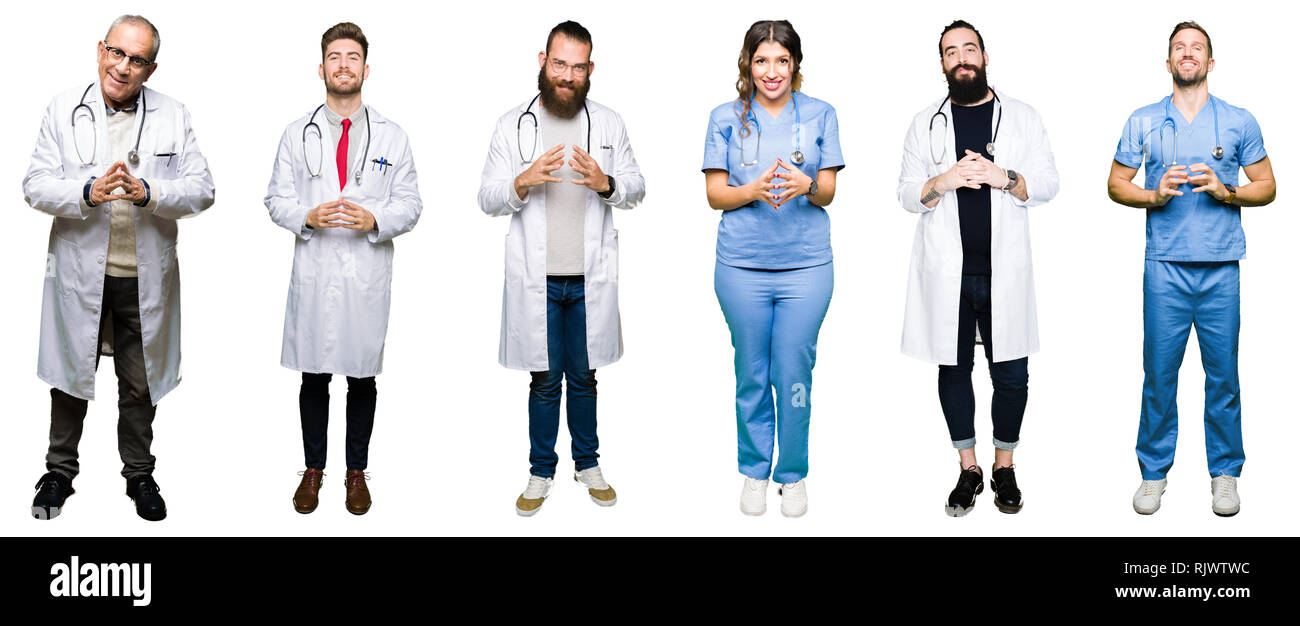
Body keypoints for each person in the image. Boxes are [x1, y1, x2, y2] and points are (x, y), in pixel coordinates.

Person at [24, 15, 215, 521]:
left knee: (140, 384)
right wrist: (87, 192)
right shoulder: (64, 109)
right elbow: (35, 185)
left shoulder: (174, 115)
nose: (123, 67)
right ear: (100, 50)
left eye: (137, 59)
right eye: (116, 53)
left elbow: (202, 189)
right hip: (79, 275)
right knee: (70, 378)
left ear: (150, 69)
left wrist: (149, 193)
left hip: (142, 278)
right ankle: (58, 473)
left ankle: (139, 473)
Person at [1108, 21, 1275, 517]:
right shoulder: (1143, 121)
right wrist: (1152, 195)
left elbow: (1267, 185)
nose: (1188, 54)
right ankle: (1153, 474)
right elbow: (1117, 184)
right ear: (1167, 63)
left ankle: (1225, 474)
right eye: (1179, 48)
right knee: (1159, 375)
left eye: (1196, 48)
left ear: (1210, 62)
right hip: (1165, 269)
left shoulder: (1239, 121)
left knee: (1223, 376)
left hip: (1221, 267)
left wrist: (1228, 192)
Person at [478, 20, 644, 517]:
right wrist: (523, 180)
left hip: (589, 277)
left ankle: (588, 463)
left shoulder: (609, 123)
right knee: (546, 381)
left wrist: (607, 181)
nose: (567, 76)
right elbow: (486, 197)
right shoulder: (513, 124)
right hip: (539, 281)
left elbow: (637, 187)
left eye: (577, 66)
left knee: (586, 377)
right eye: (559, 64)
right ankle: (541, 469)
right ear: (542, 62)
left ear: (590, 69)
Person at [897, 20, 1059, 517]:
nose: (961, 57)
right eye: (951, 51)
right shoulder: (925, 123)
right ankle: (968, 467)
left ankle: (1003, 466)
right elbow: (906, 195)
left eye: (970, 49)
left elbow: (1049, 183)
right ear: (942, 63)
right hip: (948, 273)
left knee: (1011, 373)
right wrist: (942, 180)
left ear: (985, 57)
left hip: (1003, 271)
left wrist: (1002, 177)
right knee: (955, 367)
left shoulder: (1022, 117)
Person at [266, 22, 422, 516]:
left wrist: (376, 218)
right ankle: (314, 470)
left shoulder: (392, 137)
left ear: (366, 68)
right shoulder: (297, 134)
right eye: (335, 57)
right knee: (313, 376)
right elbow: (275, 198)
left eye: (352, 57)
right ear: (321, 68)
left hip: (364, 273)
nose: (343, 65)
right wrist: (305, 216)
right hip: (315, 269)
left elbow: (412, 203)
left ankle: (356, 472)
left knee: (361, 377)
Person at [703, 20, 842, 518]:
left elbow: (827, 192)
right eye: (761, 60)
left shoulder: (821, 114)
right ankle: (754, 470)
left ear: (795, 64)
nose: (771, 71)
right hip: (741, 266)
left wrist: (807, 183)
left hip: (806, 266)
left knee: (793, 371)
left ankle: (793, 472)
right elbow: (715, 194)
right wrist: (753, 191)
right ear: (748, 64)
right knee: (752, 372)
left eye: (781, 60)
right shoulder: (725, 117)